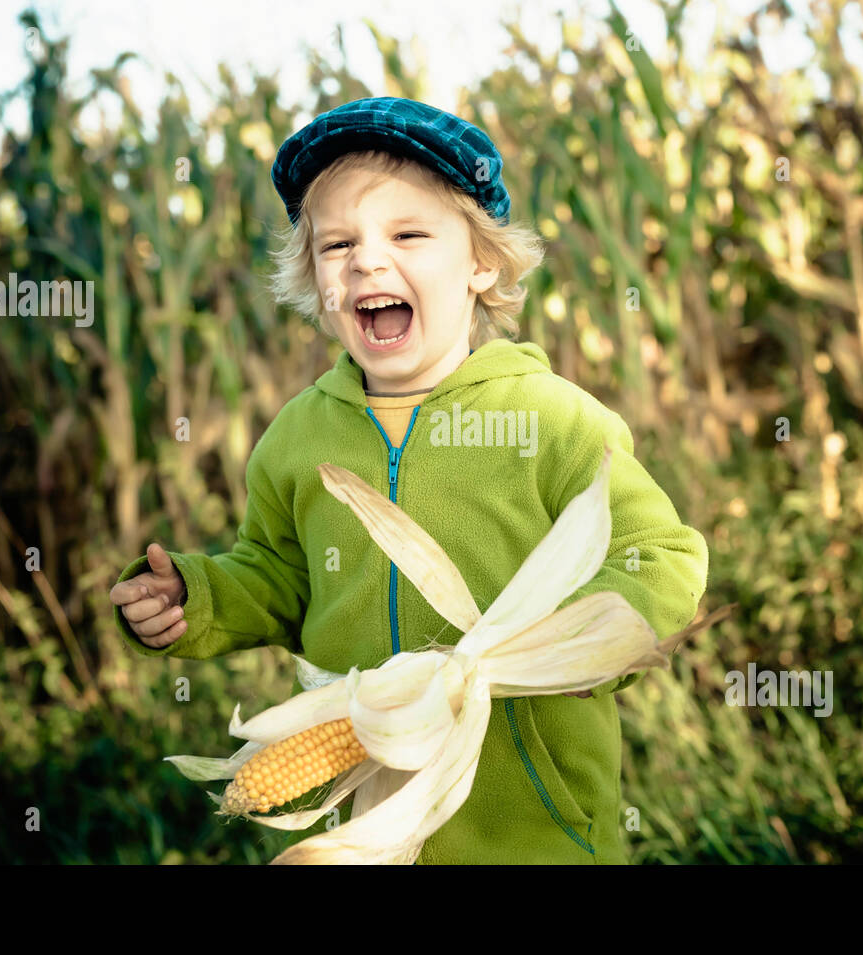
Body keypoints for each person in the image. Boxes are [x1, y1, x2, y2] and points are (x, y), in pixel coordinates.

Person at [108, 96, 709, 864]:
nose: (366, 261)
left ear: (481, 262)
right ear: (314, 279)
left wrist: (587, 639)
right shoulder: (297, 438)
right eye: (337, 246)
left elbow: (659, 550)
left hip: (535, 834)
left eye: (408, 234)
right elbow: (278, 573)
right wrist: (197, 597)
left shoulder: (553, 420)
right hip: (369, 823)